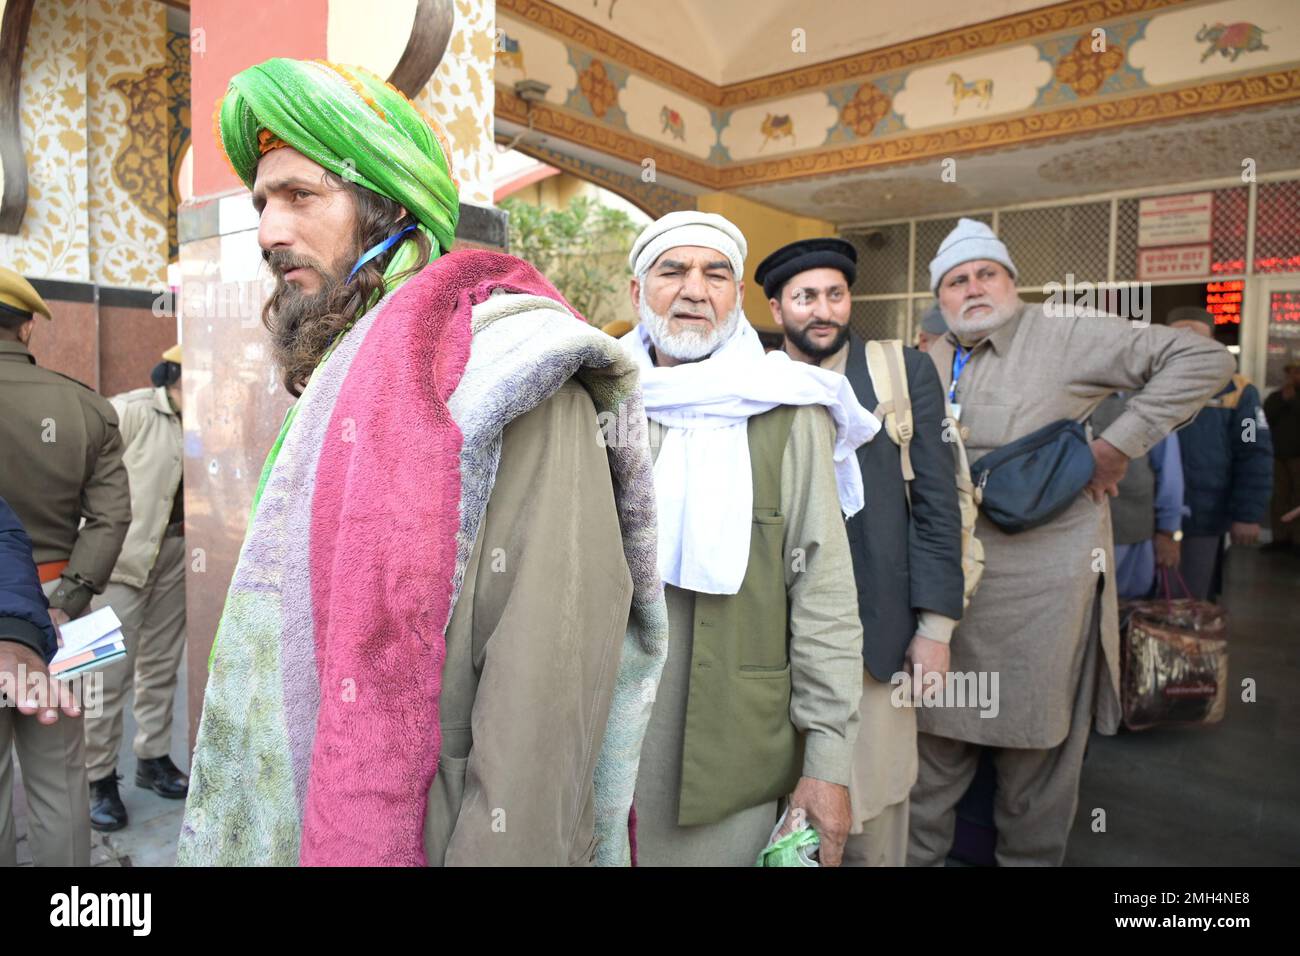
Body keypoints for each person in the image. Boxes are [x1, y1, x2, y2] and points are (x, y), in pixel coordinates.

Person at [178, 58, 667, 867]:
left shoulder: (521, 375)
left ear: (386, 206)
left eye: (302, 196)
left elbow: (541, 723)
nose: (268, 232)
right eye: (263, 203)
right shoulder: (336, 386)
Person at [909, 218, 1234, 866]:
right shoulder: (929, 359)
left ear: (1010, 281)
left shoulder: (1066, 331)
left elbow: (1204, 359)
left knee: (1035, 769)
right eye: (956, 280)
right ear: (940, 298)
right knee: (927, 771)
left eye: (985, 274)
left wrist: (1116, 446)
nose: (972, 288)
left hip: (1040, 603)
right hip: (944, 605)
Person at [620, 213, 874, 867]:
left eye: (716, 274)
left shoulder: (790, 408)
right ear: (635, 293)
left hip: (730, 760)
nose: (694, 290)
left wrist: (827, 763)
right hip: (596, 748)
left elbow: (824, 596)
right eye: (672, 270)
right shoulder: (593, 399)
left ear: (736, 298)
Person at [757, 237, 963, 866]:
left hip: (879, 638)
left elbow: (937, 506)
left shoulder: (899, 372)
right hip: (776, 646)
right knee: (788, 818)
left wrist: (936, 629)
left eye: (835, 294)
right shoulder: (753, 382)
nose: (822, 310)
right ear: (776, 308)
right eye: (805, 296)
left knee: (873, 817)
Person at [0, 267, 130, 866]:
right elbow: (110, 520)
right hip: (59, 608)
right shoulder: (85, 407)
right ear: (27, 325)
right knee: (60, 774)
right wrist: (67, 600)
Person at [84, 345, 190, 832]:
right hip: (119, 561)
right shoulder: (130, 410)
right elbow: (84, 472)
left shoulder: (203, 421)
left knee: (161, 665)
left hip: (175, 557)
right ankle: (98, 777)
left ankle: (152, 759)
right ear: (176, 375)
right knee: (104, 674)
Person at [0, 495, 87, 866]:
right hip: (47, 601)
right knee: (60, 782)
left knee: (59, 772)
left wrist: (16, 631)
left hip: (32, 617)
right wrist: (68, 597)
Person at [1167, 306, 1273, 601]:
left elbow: (1253, 452)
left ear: (1213, 342)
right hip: (1147, 519)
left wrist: (1248, 514)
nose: (1187, 342)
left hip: (1205, 515)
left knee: (1191, 599)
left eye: (1196, 335)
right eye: (1179, 335)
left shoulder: (1239, 392)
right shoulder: (1144, 383)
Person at [1092, 393, 1186, 600]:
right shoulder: (1064, 397)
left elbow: (1169, 473)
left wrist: (1169, 531)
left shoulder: (1148, 402)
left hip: (1132, 534)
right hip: (1078, 536)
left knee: (1129, 606)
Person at [1262, 362, 1300, 555]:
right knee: (1279, 498)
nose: (1293, 377)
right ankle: (1280, 538)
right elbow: (1261, 420)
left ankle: (1297, 539)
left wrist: (1293, 401)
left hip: (1297, 457)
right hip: (1277, 455)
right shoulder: (1276, 397)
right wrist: (1284, 400)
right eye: (1291, 373)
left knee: (1297, 499)